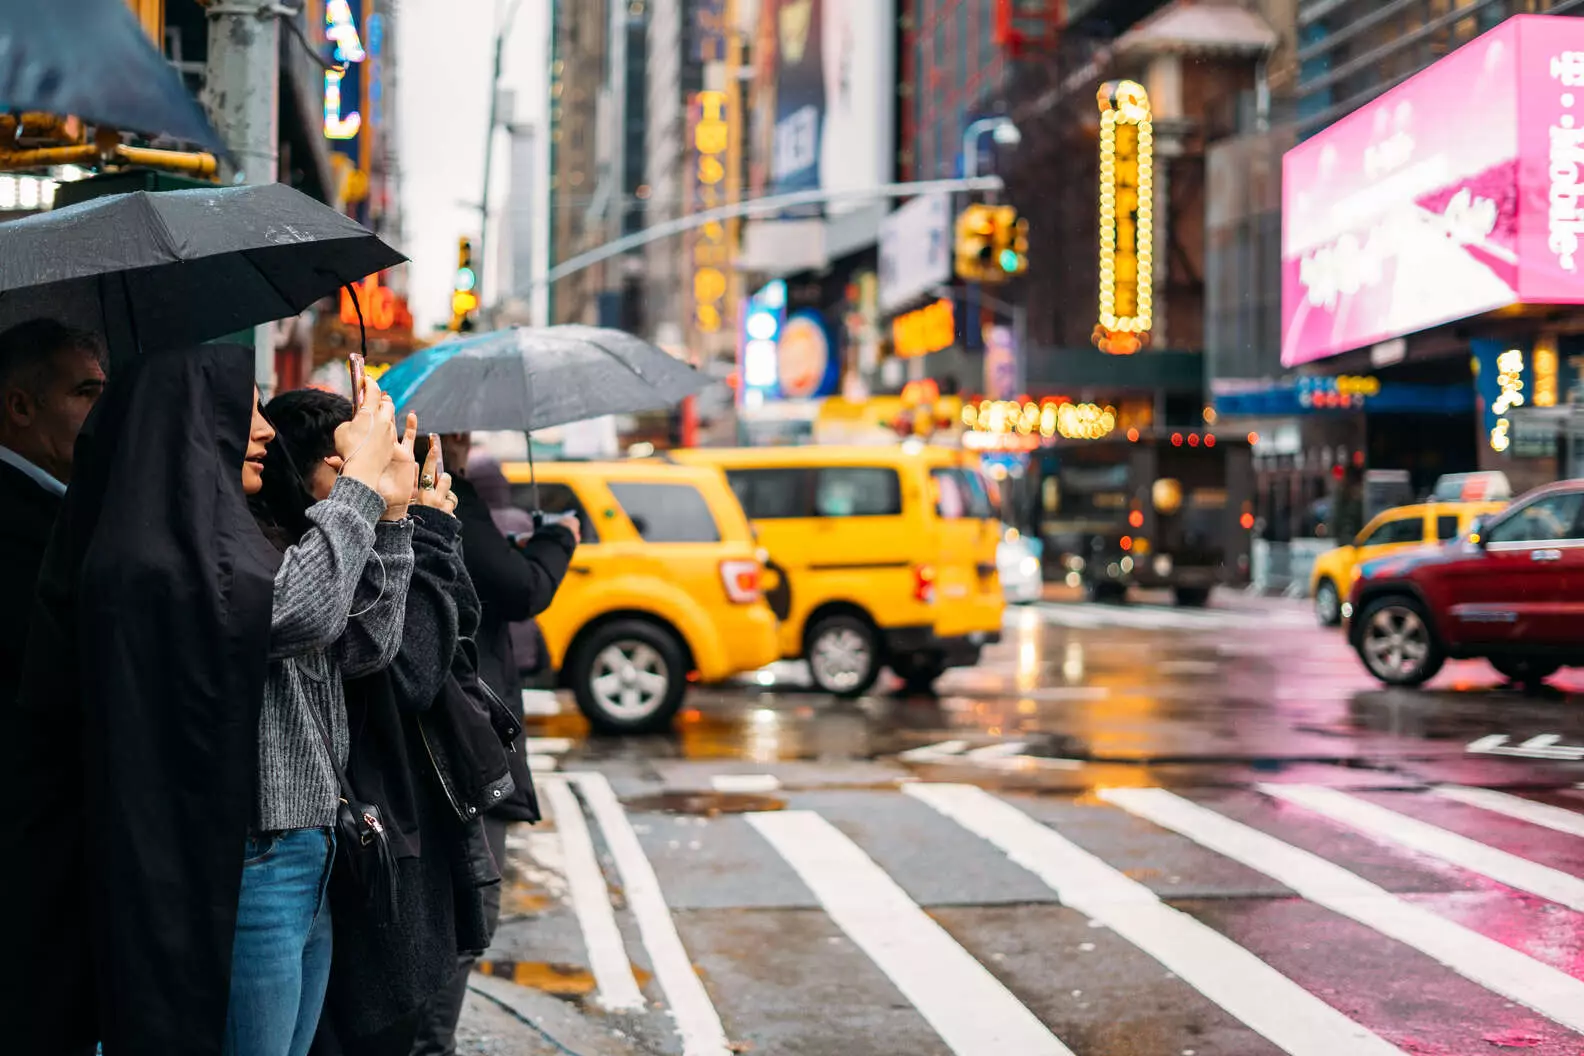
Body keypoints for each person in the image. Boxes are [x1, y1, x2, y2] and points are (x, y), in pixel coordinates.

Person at [1, 344, 416, 1056]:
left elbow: (362, 644)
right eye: (242, 410)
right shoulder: (152, 551)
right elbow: (299, 612)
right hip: (246, 867)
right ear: (192, 422)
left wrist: (395, 518)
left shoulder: (250, 530)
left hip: (308, 850)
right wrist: (360, 495)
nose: (264, 431)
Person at [260, 392, 512, 1056]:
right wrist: (404, 520)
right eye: (348, 464)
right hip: (362, 842)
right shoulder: (308, 559)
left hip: (396, 827)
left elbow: (460, 636)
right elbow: (410, 668)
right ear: (308, 474)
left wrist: (422, 524)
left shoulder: (356, 541)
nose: (368, 478)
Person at [410, 433, 578, 1056]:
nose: (459, 443)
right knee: (468, 911)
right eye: (449, 433)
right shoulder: (445, 508)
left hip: (459, 734)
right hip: (463, 742)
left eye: (463, 436)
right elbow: (519, 588)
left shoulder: (445, 506)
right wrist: (558, 540)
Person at [0, 318, 106, 707]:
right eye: (85, 393)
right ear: (21, 407)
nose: (103, 410)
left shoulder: (63, 509)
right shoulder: (16, 521)